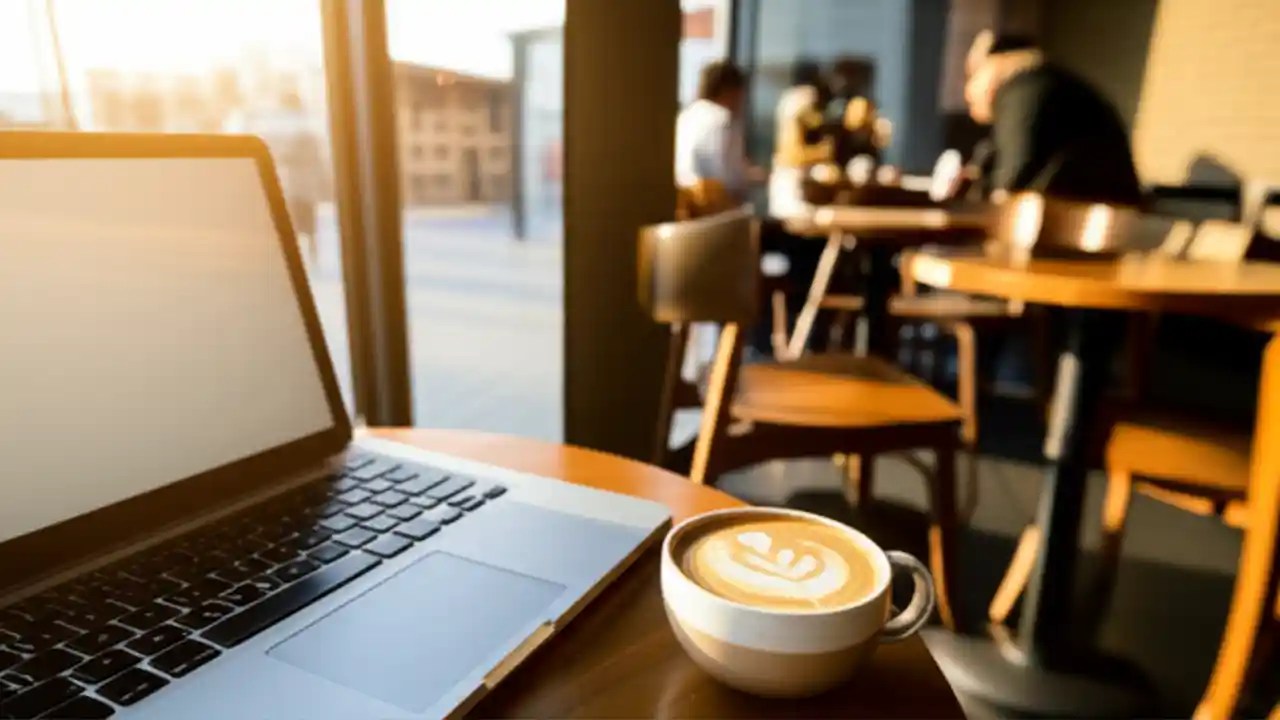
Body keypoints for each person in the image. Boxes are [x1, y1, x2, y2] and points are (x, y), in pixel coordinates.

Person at [963, 32, 1142, 205]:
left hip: (1083, 225)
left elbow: (1012, 183)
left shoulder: (1024, 89)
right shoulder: (1044, 86)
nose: (968, 91)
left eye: (972, 74)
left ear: (997, 62)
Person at [675, 60, 760, 204]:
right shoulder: (724, 119)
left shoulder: (686, 115)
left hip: (684, 202)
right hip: (712, 209)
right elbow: (731, 179)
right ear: (731, 91)